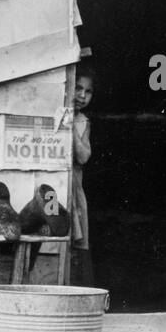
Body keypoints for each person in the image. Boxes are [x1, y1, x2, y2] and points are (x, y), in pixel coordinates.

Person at [69, 67, 95, 285]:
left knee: (79, 243)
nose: (82, 96)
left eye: (88, 91)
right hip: (56, 189)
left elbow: (83, 156)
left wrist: (70, 129)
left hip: (75, 190)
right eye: (78, 88)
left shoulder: (82, 121)